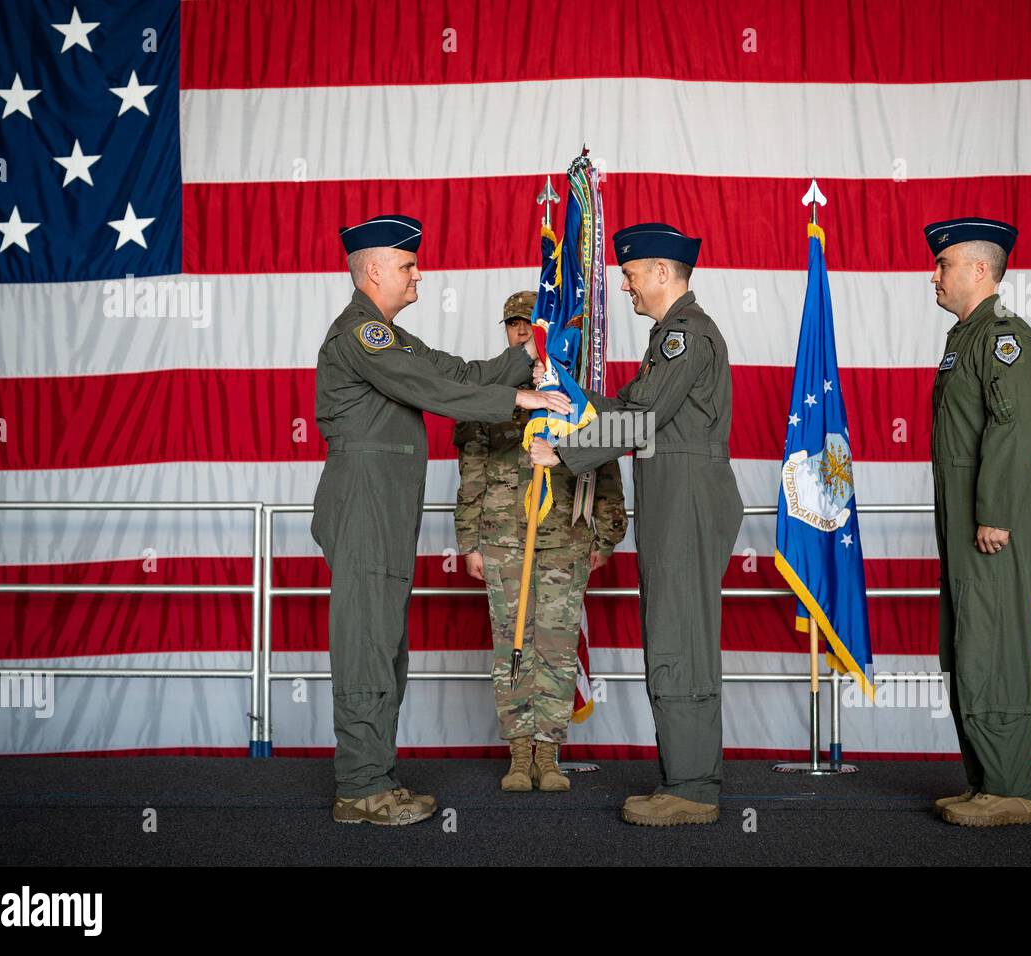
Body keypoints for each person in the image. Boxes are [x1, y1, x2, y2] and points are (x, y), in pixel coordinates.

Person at [312, 214, 571, 826]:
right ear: (373, 271)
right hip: (365, 507)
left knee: (385, 648)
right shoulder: (362, 335)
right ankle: (361, 787)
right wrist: (520, 397)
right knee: (366, 647)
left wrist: (525, 355)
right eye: (406, 265)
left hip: (385, 509)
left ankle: (372, 779)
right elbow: (433, 390)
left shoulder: (390, 336)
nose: (417, 273)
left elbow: (454, 373)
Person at [529, 222, 743, 826]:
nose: (624, 285)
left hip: (688, 502)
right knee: (672, 634)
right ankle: (683, 777)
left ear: (660, 273)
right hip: (678, 498)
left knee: (681, 640)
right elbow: (627, 405)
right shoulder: (670, 338)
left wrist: (565, 453)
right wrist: (570, 402)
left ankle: (694, 788)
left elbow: (641, 420)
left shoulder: (685, 336)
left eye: (628, 274)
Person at [454, 290, 629, 792]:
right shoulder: (487, 397)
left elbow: (606, 464)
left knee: (555, 647)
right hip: (503, 541)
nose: (523, 333)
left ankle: (549, 754)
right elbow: (471, 476)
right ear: (506, 332)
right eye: (514, 325)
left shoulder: (575, 398)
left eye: (533, 326)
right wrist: (468, 543)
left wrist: (608, 534)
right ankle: (517, 752)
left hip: (566, 541)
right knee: (511, 646)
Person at [923, 216, 1031, 827]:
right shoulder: (965, 337)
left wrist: (995, 514)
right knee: (969, 644)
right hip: (966, 520)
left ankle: (1012, 788)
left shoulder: (1004, 337)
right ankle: (984, 781)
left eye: (944, 265)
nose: (935, 276)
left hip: (992, 523)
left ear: (979, 269)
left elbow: (1014, 427)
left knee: (993, 646)